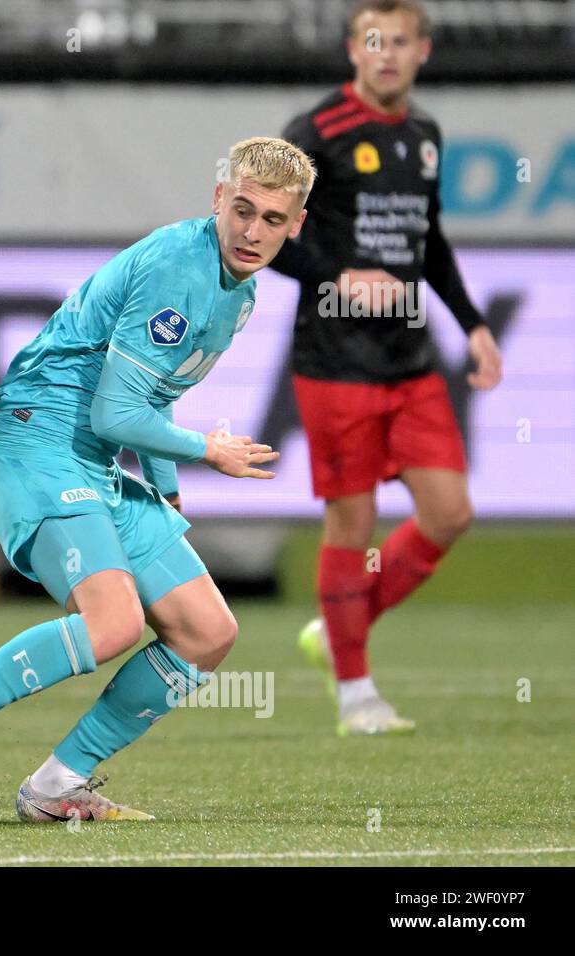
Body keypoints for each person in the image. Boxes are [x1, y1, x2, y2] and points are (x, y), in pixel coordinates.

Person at [0, 137, 313, 821]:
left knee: (206, 630)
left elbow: (151, 399)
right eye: (243, 210)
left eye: (273, 220)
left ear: (295, 225)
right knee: (113, 625)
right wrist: (205, 450)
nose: (254, 232)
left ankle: (54, 788)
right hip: (35, 441)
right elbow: (116, 408)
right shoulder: (178, 268)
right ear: (218, 199)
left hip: (94, 458)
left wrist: (164, 494)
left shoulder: (238, 293)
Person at [275, 0, 503, 735]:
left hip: (411, 361)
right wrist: (338, 276)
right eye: (373, 42)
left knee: (450, 512)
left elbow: (429, 241)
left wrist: (472, 324)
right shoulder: (315, 133)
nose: (387, 55)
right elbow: (266, 233)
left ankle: (336, 629)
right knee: (355, 521)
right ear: (352, 51)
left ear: (422, 52)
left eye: (400, 43)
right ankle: (355, 693)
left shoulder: (426, 137)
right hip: (335, 363)